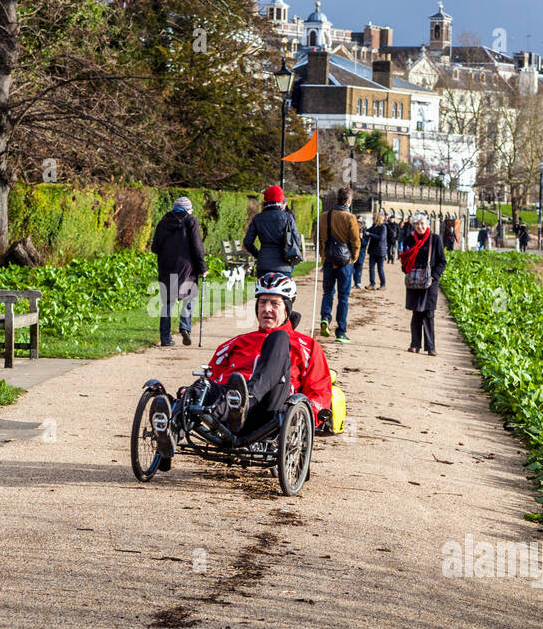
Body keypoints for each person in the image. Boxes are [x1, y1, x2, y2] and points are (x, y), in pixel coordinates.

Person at [148, 273, 332, 464]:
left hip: (271, 411)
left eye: (274, 303)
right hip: (228, 410)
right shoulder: (237, 342)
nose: (267, 309)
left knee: (279, 339)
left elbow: (319, 392)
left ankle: (246, 400)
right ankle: (168, 435)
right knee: (201, 386)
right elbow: (214, 376)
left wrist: (310, 416)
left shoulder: (306, 346)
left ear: (287, 308)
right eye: (262, 303)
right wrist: (194, 393)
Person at [150, 195, 205, 347]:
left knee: (168, 302)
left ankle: (165, 338)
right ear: (188, 209)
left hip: (167, 266)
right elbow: (197, 246)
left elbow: (155, 247)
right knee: (189, 297)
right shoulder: (191, 220)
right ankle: (185, 327)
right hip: (187, 266)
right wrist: (202, 268)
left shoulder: (163, 222)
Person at [318, 186, 361, 343]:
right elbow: (356, 241)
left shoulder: (324, 216)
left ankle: (325, 318)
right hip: (345, 262)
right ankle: (341, 332)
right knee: (343, 296)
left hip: (329, 260)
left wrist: (323, 256)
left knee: (327, 292)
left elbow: (320, 238)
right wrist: (354, 258)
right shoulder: (350, 218)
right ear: (349, 201)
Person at [400, 213, 446, 355]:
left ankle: (430, 347)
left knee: (428, 314)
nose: (419, 226)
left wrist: (434, 276)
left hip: (429, 282)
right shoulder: (409, 239)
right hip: (414, 281)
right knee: (416, 314)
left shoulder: (435, 239)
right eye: (417, 224)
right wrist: (408, 270)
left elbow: (442, 261)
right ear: (413, 225)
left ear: (427, 224)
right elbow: (404, 260)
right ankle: (415, 344)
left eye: (422, 224)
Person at [242, 184, 303, 279]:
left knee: (262, 292)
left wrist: (258, 254)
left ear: (265, 200)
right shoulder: (288, 217)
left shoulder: (258, 218)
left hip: (264, 264)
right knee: (286, 293)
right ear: (281, 200)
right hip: (284, 265)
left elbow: (247, 242)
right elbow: (297, 241)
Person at [365, 211, 388, 289]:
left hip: (380, 251)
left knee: (380, 269)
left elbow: (381, 238)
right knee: (371, 268)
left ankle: (383, 284)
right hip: (372, 250)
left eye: (374, 218)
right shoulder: (373, 226)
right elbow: (367, 231)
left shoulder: (383, 227)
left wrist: (370, 234)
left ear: (377, 219)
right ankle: (372, 284)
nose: (373, 220)